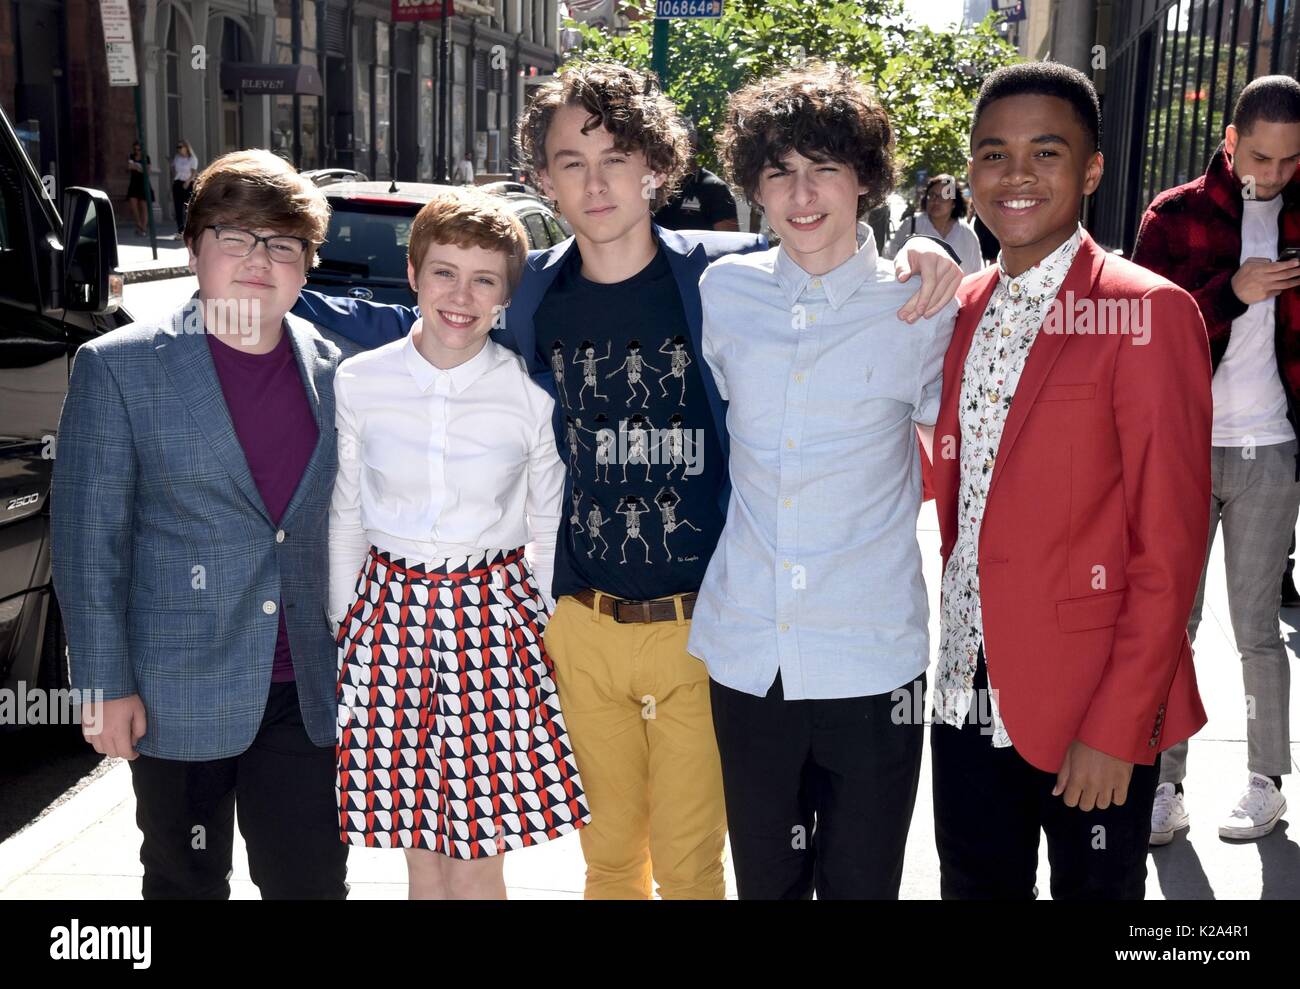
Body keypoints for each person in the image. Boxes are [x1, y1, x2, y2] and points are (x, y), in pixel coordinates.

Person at [293, 61, 960, 899]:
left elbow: (827, 267)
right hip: (584, 622)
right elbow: (428, 319)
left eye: (617, 157)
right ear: (544, 179)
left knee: (695, 866)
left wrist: (928, 252)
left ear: (656, 166)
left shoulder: (723, 275)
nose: (596, 181)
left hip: (708, 627)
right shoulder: (529, 290)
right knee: (609, 862)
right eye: (572, 162)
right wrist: (275, 290)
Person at [930, 61, 1212, 899]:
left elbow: (1169, 549)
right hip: (962, 690)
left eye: (1045, 152)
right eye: (992, 153)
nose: (1015, 175)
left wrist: (1118, 728)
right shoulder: (962, 306)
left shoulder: (1147, 311)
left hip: (1090, 702)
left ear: (1091, 168)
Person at [688, 63, 958, 900]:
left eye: (825, 168)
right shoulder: (723, 291)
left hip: (871, 658)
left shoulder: (923, 303)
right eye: (779, 171)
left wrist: (939, 250)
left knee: (861, 885)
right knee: (766, 883)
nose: (802, 193)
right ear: (755, 189)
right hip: (749, 656)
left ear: (866, 179)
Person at [51, 149, 348, 899]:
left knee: (311, 884)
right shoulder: (117, 368)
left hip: (304, 693)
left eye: (282, 243)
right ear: (194, 250)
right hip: (174, 691)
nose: (259, 259)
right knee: (184, 882)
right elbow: (91, 547)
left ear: (306, 265)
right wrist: (103, 686)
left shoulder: (334, 370)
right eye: (235, 236)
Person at [331, 189, 589, 898]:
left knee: (479, 850)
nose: (461, 296)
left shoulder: (530, 397)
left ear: (506, 295)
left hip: (494, 618)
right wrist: (344, 620)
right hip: (388, 617)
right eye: (444, 272)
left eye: (484, 280)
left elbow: (546, 519)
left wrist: (531, 619)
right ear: (413, 275)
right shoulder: (361, 381)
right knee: (418, 849)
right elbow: (347, 507)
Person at [1131, 74, 1300, 843]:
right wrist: (1231, 290)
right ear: (1230, 141)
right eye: (1260, 156)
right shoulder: (1176, 215)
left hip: (1271, 449)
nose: (1273, 174)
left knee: (1258, 628)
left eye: (1291, 160)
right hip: (1183, 450)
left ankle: (1265, 781)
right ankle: (1164, 785)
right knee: (1172, 624)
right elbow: (1142, 335)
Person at [886, 173, 984, 274]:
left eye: (944, 196)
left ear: (954, 203)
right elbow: (890, 257)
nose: (936, 201)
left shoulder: (967, 234)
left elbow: (976, 272)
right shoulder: (911, 225)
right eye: (932, 195)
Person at [654, 121, 740, 231]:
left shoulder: (714, 188)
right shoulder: (653, 184)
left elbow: (730, 242)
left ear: (692, 145)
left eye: (679, 142)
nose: (672, 150)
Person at [171, 139, 200, 236]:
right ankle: (180, 230)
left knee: (188, 207)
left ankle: (190, 229)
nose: (178, 149)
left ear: (186, 148)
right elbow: (173, 169)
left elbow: (193, 173)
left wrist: (187, 182)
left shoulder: (192, 159)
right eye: (177, 147)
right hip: (178, 183)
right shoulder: (177, 158)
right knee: (178, 208)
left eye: (180, 147)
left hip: (188, 183)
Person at [126, 141, 151, 236]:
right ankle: (139, 224)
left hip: (143, 183)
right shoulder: (131, 156)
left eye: (139, 149)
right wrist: (140, 168)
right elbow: (129, 166)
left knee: (143, 207)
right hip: (134, 183)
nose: (137, 151)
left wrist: (136, 166)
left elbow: (147, 172)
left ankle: (143, 229)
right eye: (135, 149)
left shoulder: (146, 158)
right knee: (133, 205)